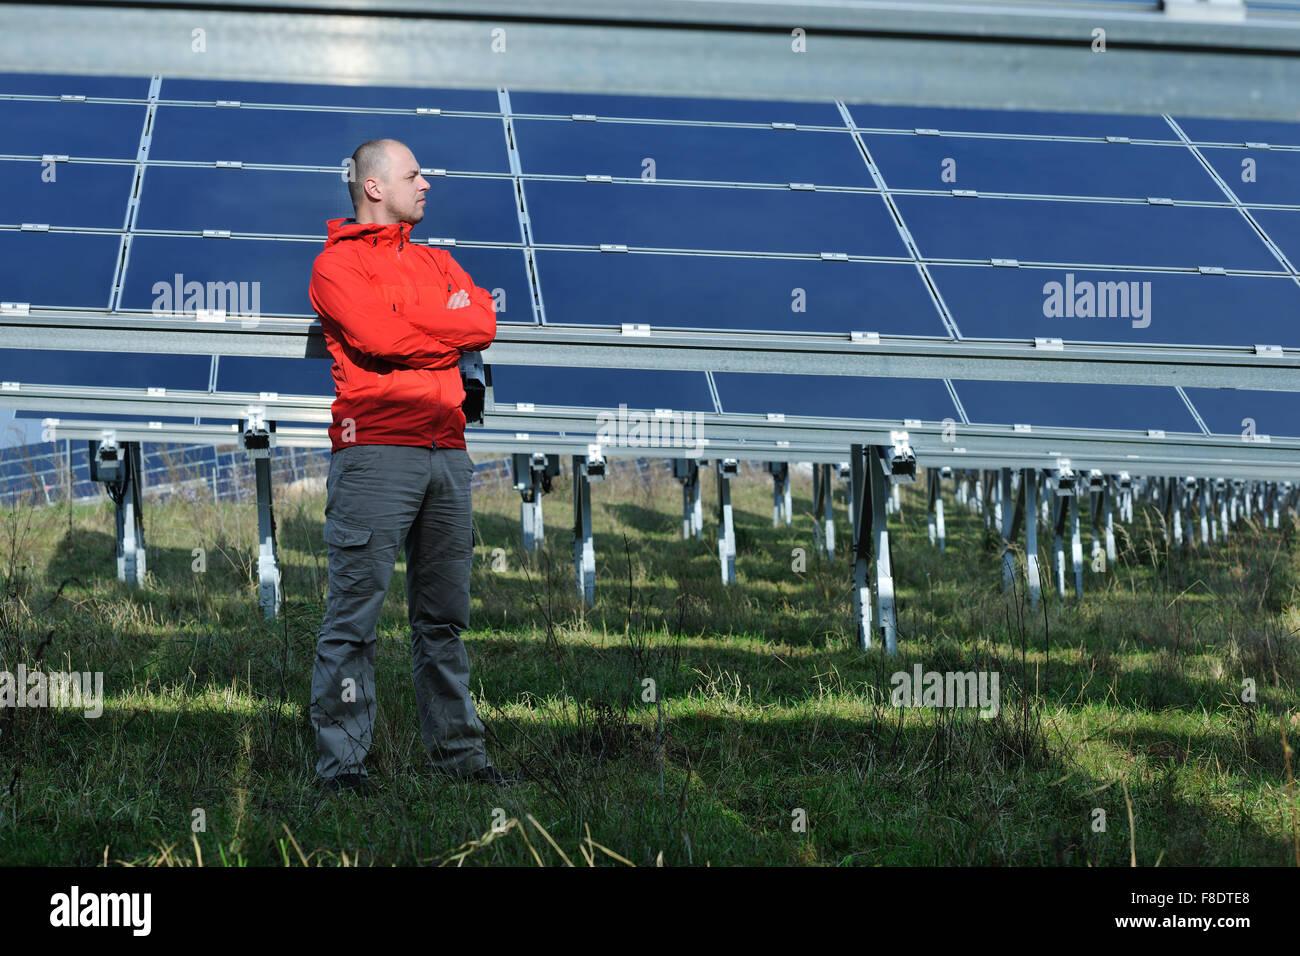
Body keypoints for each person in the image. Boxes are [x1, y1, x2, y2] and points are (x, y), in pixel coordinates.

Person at [307, 137, 515, 793]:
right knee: (353, 622)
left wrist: (420, 325)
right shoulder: (336, 267)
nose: (427, 184)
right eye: (414, 174)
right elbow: (376, 338)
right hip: (375, 454)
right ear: (374, 186)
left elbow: (482, 320)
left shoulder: (440, 262)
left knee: (444, 619)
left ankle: (461, 758)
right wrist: (439, 332)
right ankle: (344, 766)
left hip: (448, 452)